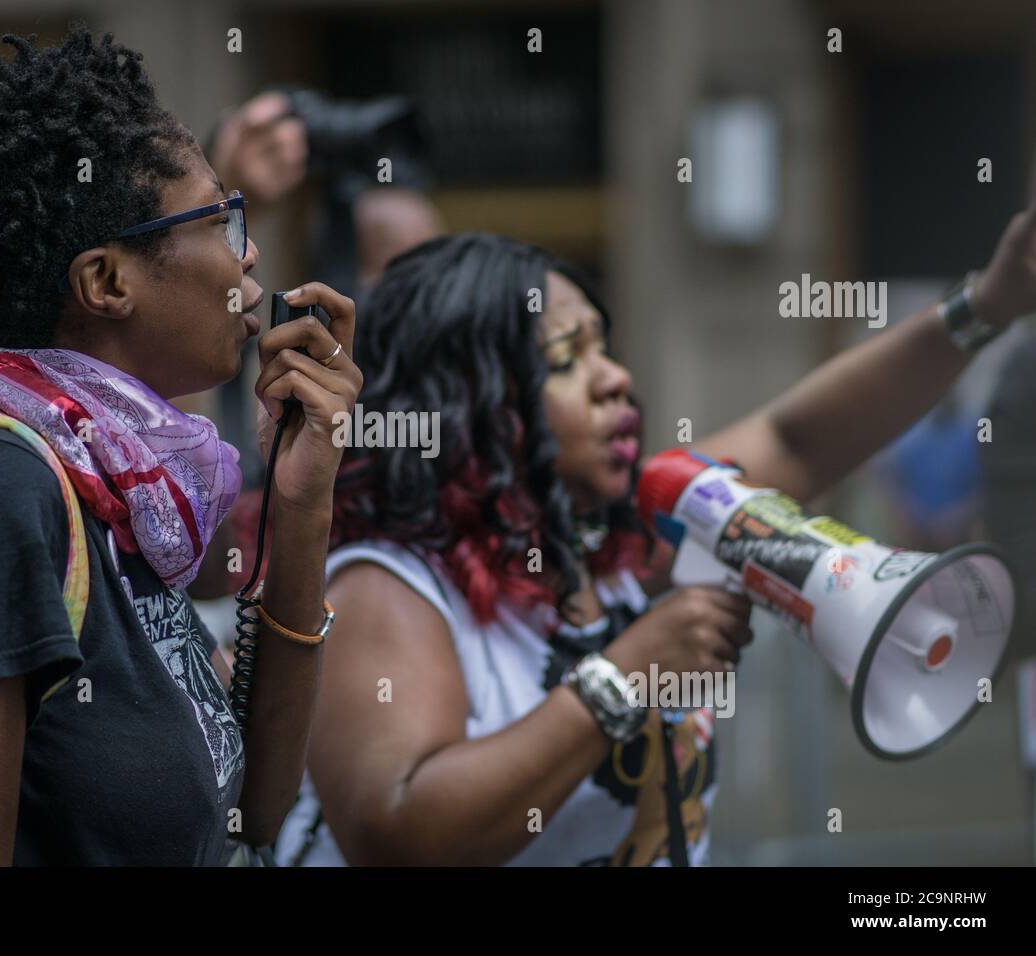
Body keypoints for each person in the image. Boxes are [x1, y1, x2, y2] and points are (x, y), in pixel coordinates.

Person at [272, 224, 1036, 867]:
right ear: (474, 399)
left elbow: (794, 441)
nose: (616, 381)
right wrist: (624, 675)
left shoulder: (627, 534)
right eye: (568, 360)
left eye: (605, 349)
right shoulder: (381, 585)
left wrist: (988, 304)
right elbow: (395, 827)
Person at [0, 26, 361, 865]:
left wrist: (301, 508)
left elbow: (252, 813)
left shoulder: (112, 482)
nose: (248, 254)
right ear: (107, 282)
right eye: (221, 221)